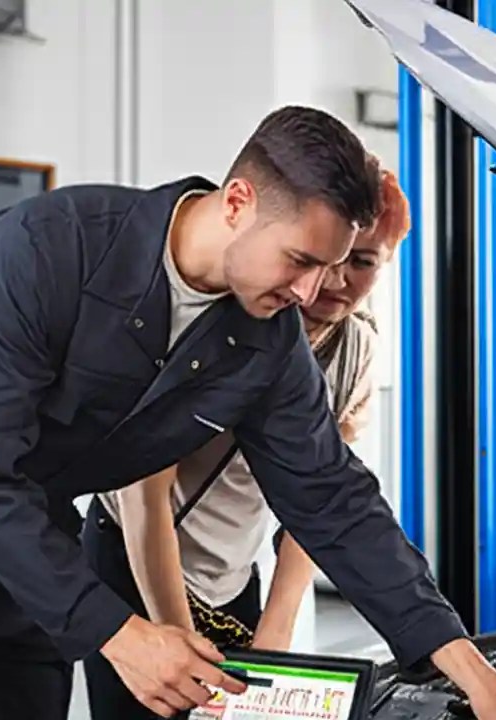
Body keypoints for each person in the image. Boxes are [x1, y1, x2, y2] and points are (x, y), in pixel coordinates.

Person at [0, 104, 496, 720]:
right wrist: (123, 634)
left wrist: (472, 672)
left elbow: (334, 499)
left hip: (29, 553)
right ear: (238, 202)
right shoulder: (47, 246)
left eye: (332, 268)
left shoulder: (265, 342)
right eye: (301, 261)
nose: (311, 294)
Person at [80, 167, 409, 719]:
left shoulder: (353, 353)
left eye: (364, 262)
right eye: (322, 259)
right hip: (133, 555)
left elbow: (317, 504)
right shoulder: (218, 320)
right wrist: (177, 643)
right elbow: (144, 499)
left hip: (230, 575)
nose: (334, 281)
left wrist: (276, 634)